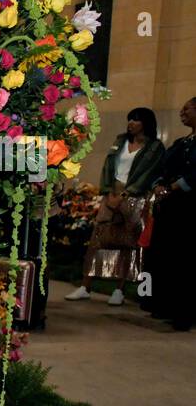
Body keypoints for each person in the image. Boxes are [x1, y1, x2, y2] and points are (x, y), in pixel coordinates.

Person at [64, 107, 166, 304]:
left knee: (128, 243)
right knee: (98, 238)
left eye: (135, 120)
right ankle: (86, 285)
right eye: (130, 119)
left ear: (146, 123)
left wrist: (125, 195)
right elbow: (108, 166)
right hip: (112, 194)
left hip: (135, 197)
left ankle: (119, 290)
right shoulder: (120, 141)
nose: (131, 123)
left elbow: (149, 174)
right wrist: (108, 192)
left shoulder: (155, 147)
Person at [144, 96, 196, 330]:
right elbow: (161, 169)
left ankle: (185, 313)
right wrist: (159, 184)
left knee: (186, 259)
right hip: (171, 208)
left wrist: (175, 186)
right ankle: (166, 306)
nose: (182, 111)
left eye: (187, 108)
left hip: (190, 209)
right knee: (168, 256)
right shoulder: (180, 142)